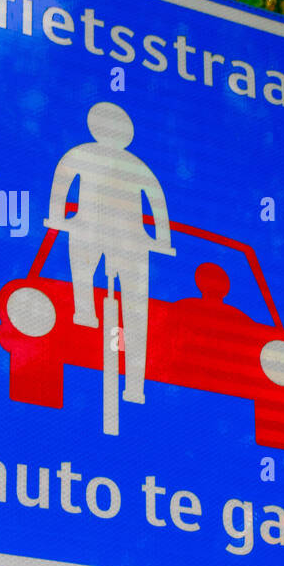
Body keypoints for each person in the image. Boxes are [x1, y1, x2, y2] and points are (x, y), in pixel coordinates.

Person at [43, 102, 174, 405]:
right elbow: (157, 202)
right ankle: (85, 310)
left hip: (123, 238)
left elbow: (156, 200)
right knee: (130, 301)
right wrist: (162, 239)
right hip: (117, 237)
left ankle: (134, 383)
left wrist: (58, 217)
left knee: (136, 307)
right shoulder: (126, 163)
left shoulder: (87, 155)